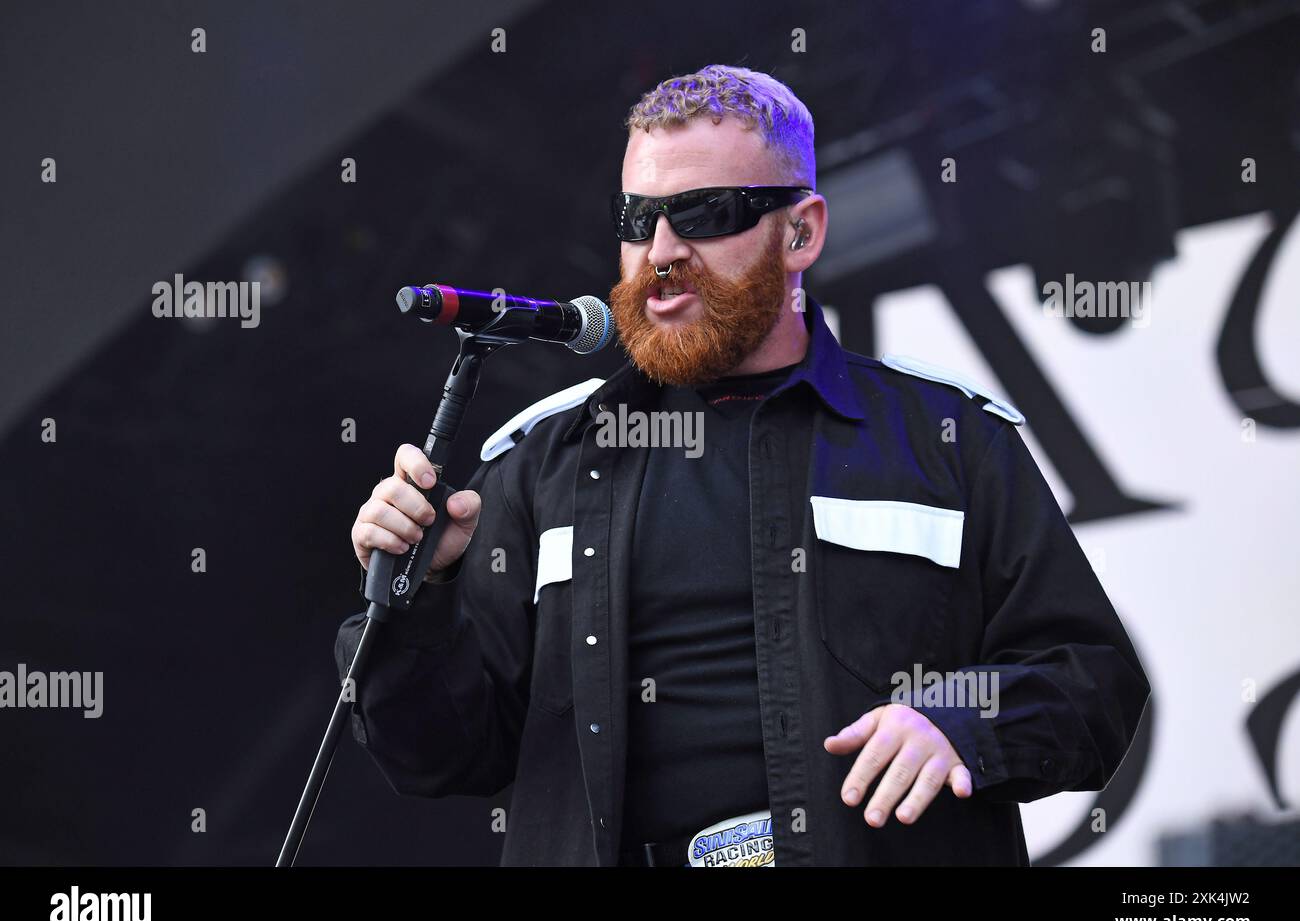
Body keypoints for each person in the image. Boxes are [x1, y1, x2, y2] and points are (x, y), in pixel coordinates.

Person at [338, 64, 1151, 867]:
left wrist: (960, 723)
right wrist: (417, 599)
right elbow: (440, 758)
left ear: (801, 231)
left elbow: (1092, 679)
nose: (660, 252)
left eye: (703, 214)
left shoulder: (950, 438)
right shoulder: (539, 461)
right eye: (638, 217)